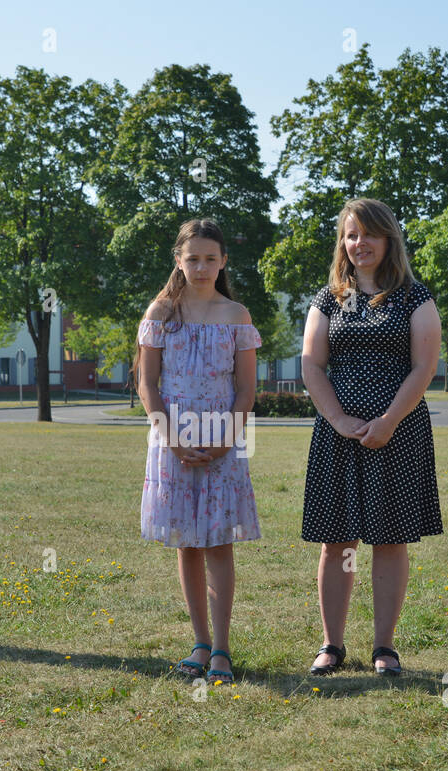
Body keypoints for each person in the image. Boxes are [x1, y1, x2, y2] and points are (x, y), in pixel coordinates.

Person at [301, 198, 443, 676]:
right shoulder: (328, 297)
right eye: (351, 234)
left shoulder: (414, 297)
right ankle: (331, 646)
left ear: (388, 240)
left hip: (397, 433)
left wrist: (387, 421)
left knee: (390, 538)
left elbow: (424, 367)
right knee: (335, 542)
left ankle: (385, 648)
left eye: (369, 235)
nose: (359, 243)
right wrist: (339, 419)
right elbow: (312, 365)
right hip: (337, 434)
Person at [136, 219, 261, 685]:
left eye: (211, 258)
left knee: (218, 542)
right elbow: (148, 384)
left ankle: (223, 650)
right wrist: (171, 438)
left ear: (223, 261)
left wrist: (225, 439)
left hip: (223, 439)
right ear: (178, 260)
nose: (202, 266)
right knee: (187, 544)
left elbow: (246, 391)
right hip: (171, 440)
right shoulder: (161, 313)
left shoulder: (237, 316)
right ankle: (199, 643)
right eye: (193, 259)